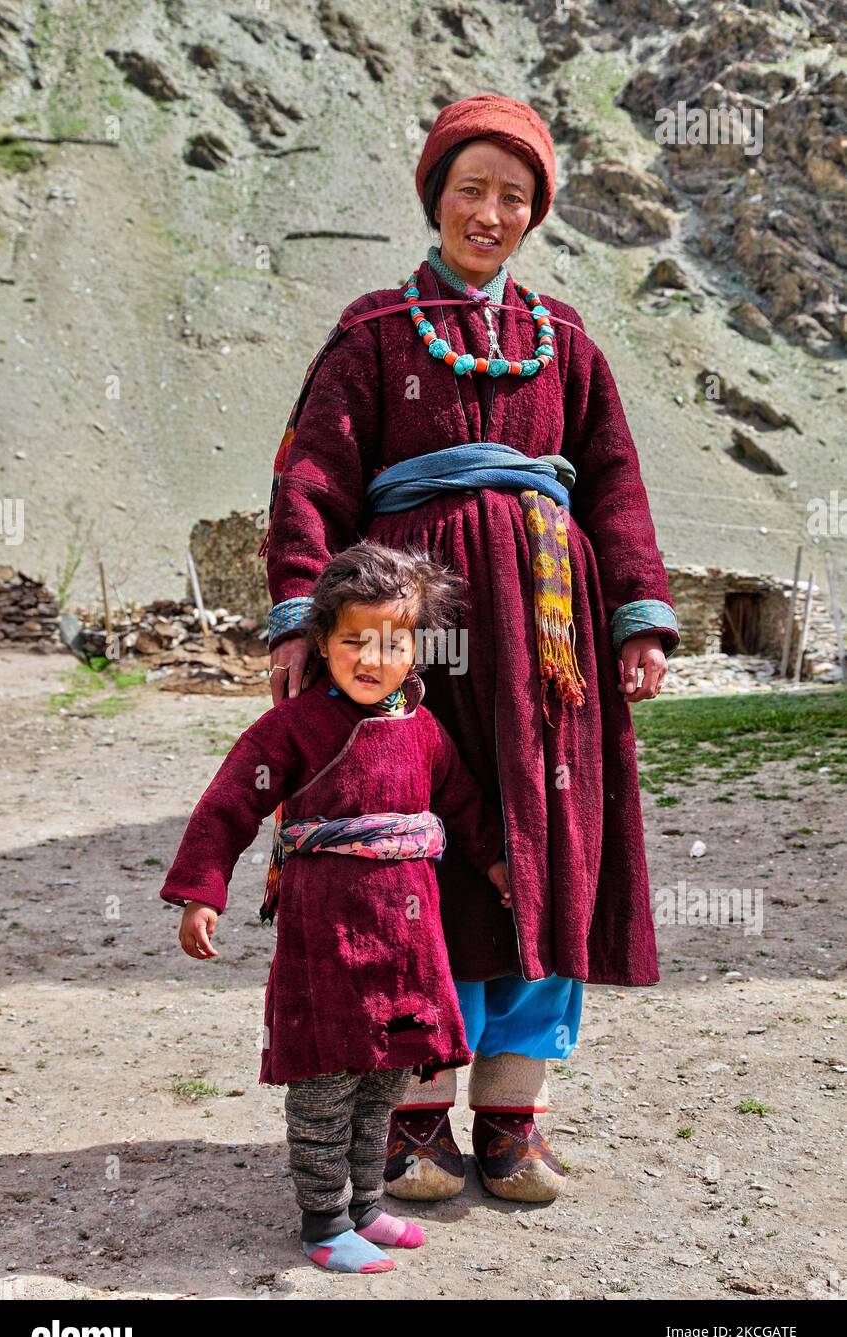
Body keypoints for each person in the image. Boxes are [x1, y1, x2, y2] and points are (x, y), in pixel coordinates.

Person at [259, 91, 681, 1203]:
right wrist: (303, 615)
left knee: (549, 850)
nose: (488, 214)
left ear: (534, 211)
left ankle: (511, 1118)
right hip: (417, 640)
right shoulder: (373, 333)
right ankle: (409, 1119)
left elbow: (616, 486)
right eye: (469, 191)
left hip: (552, 648)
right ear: (433, 199)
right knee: (423, 851)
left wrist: (637, 615)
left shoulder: (567, 342)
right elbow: (311, 479)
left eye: (511, 195)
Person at [159, 542, 511, 1273]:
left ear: (416, 644)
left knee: (381, 1080)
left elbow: (466, 806)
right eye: (354, 639)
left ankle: (366, 1211)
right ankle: (323, 1224)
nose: (373, 657)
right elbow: (230, 805)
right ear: (321, 642)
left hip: (406, 944)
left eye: (393, 640)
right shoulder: (291, 730)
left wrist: (497, 862)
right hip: (325, 941)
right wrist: (201, 891)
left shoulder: (423, 728)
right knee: (325, 1086)